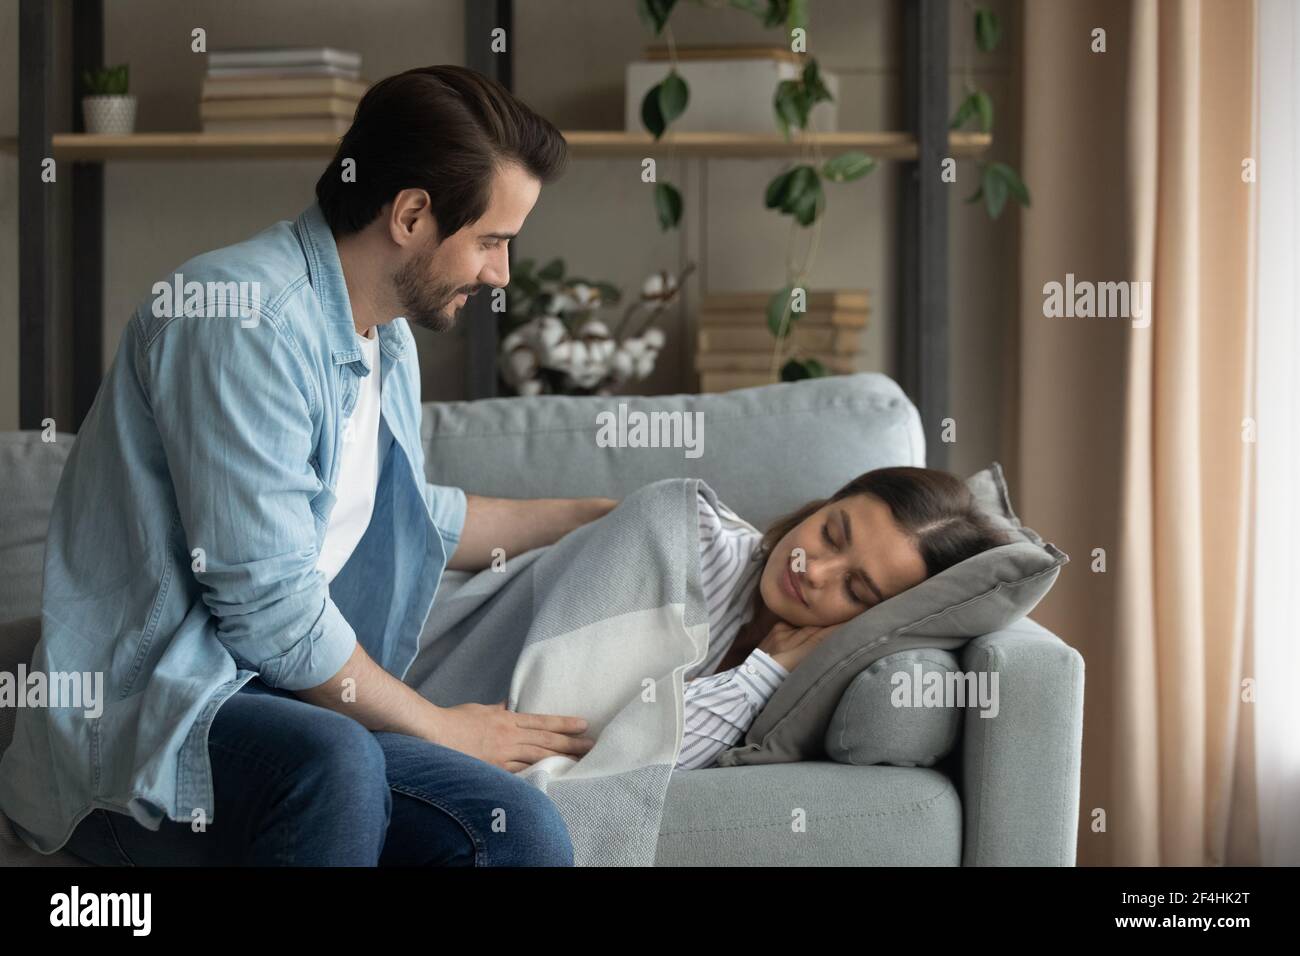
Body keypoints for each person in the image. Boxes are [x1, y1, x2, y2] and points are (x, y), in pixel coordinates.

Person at [0, 65, 617, 867]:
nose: (500, 273)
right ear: (412, 215)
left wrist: (596, 518)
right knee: (338, 762)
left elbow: (406, 514)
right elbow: (270, 607)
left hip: (292, 713)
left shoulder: (385, 335)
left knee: (515, 829)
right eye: (491, 241)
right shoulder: (241, 319)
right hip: (152, 726)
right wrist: (442, 725)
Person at [676, 466, 1010, 770]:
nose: (814, 571)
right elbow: (645, 752)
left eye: (855, 590)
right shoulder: (691, 538)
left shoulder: (812, 684)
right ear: (822, 506)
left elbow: (655, 754)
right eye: (830, 535)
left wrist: (765, 672)